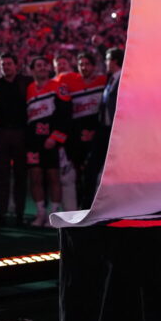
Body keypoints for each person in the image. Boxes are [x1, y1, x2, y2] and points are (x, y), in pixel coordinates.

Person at [56, 52, 106, 209]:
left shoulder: (103, 81)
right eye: (81, 64)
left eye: (87, 64)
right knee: (73, 175)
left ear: (94, 66)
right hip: (75, 136)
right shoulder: (68, 80)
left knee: (96, 175)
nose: (84, 67)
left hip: (97, 134)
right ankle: (76, 209)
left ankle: (94, 208)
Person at [25, 56, 70, 227]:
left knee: (53, 177)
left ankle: (54, 213)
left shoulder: (59, 86)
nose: (42, 68)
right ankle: (40, 213)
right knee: (35, 176)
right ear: (32, 70)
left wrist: (55, 137)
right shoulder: (29, 88)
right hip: (33, 141)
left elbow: (66, 115)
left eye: (44, 65)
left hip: (52, 140)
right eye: (38, 66)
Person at [0, 52, 31, 225]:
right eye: (3, 64)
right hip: (3, 133)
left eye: (8, 63)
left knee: (21, 175)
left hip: (21, 133)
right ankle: (2, 213)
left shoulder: (26, 82)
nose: (6, 66)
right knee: (2, 176)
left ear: (16, 65)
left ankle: (20, 214)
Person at [83, 47, 123, 208]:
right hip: (104, 129)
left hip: (116, 132)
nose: (105, 63)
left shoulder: (123, 79)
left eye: (107, 59)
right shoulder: (110, 79)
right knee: (92, 168)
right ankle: (88, 205)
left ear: (114, 61)